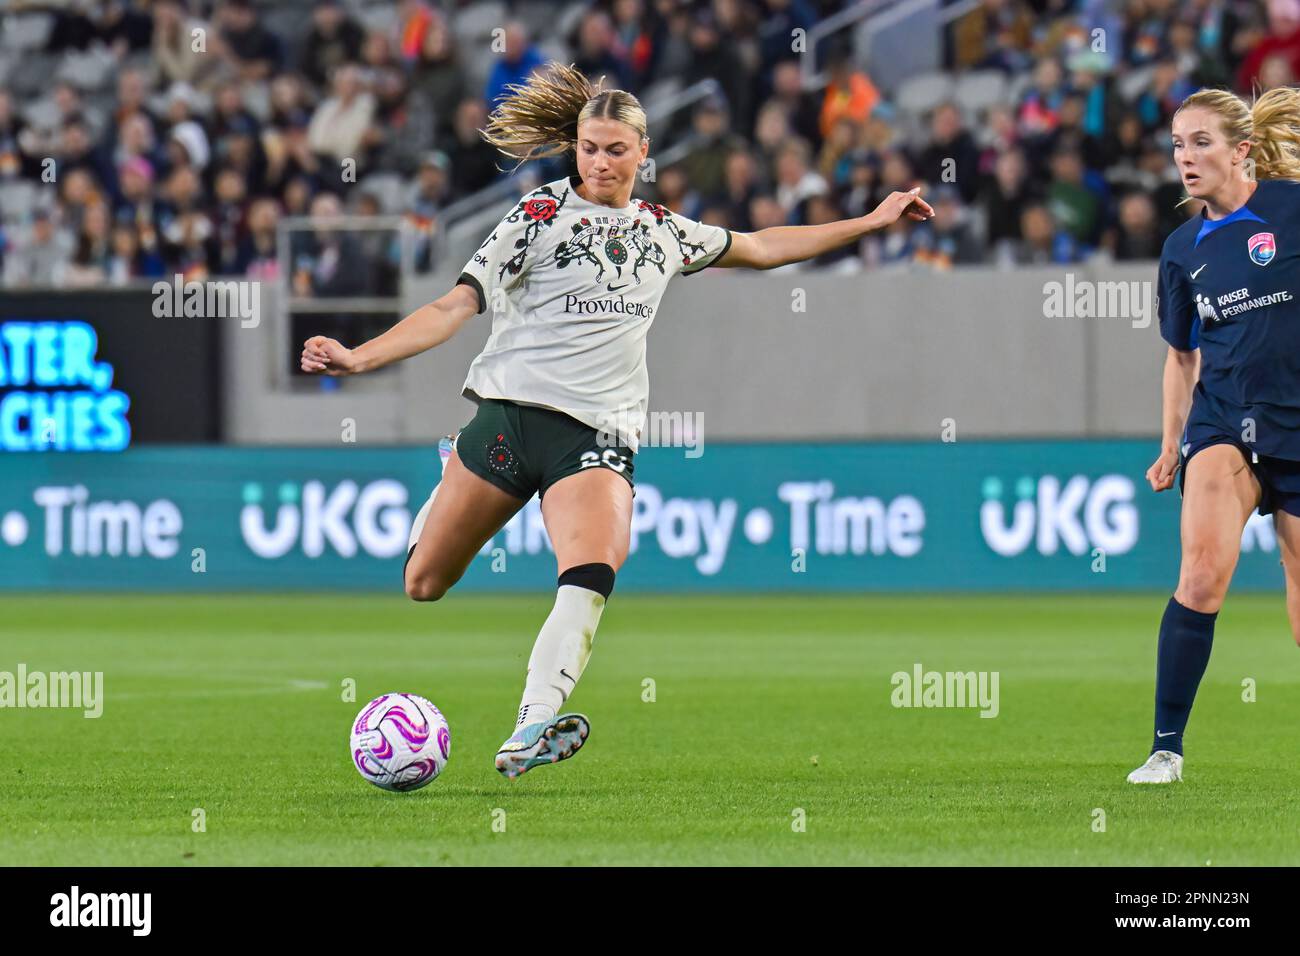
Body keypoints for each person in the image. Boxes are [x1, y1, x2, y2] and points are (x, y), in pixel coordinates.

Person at [300, 63, 933, 780]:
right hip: (509, 418)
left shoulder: (664, 231)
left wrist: (872, 221)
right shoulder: (536, 217)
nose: (600, 162)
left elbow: (762, 247)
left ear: (643, 153)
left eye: (615, 149)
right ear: (574, 149)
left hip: (597, 436)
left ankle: (530, 723)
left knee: (594, 569)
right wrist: (361, 356)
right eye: (589, 148)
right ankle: (454, 469)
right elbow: (454, 307)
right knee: (424, 583)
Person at [1130, 86, 1300, 783]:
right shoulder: (1180, 250)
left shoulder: (1292, 209)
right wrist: (1172, 441)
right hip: (1224, 419)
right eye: (1177, 143)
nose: (1185, 157)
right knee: (1201, 575)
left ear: (1242, 150)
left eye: (1201, 141)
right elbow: (1180, 356)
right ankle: (1165, 748)